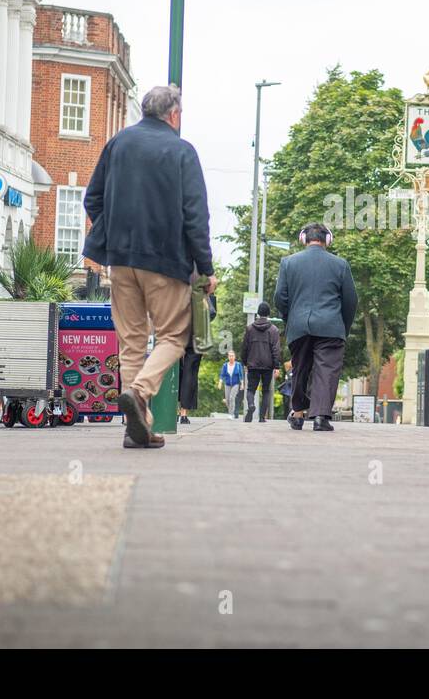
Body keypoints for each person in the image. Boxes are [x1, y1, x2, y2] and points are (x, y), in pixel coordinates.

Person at [83, 84, 216, 450]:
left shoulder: (118, 144)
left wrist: (112, 233)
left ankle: (135, 427)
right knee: (175, 335)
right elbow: (195, 216)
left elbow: (91, 198)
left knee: (131, 342)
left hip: (120, 260)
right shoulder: (182, 151)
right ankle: (140, 394)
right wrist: (205, 269)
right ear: (174, 115)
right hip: (164, 261)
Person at [273, 222, 357, 431]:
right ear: (327, 240)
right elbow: (350, 301)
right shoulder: (340, 264)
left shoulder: (288, 262)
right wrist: (342, 327)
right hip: (331, 326)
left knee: (299, 368)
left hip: (298, 325)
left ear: (304, 239)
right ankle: (320, 417)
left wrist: (290, 318)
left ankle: (299, 413)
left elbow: (279, 297)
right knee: (326, 370)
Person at [241, 302, 282, 422]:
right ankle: (262, 417)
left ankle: (251, 405)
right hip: (267, 365)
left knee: (250, 389)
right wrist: (276, 365)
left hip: (252, 363)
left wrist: (245, 362)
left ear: (258, 313)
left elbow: (244, 348)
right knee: (266, 390)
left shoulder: (250, 329)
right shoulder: (273, 330)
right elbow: (276, 349)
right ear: (268, 313)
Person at [220, 350, 245, 418]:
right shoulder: (225, 365)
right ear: (228, 357)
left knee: (232, 398)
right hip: (227, 384)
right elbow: (222, 375)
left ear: (235, 357)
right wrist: (220, 382)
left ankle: (231, 414)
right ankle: (230, 411)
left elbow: (241, 375)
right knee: (227, 400)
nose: (231, 357)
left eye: (232, 356)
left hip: (235, 384)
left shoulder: (238, 365)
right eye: (230, 356)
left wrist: (242, 384)